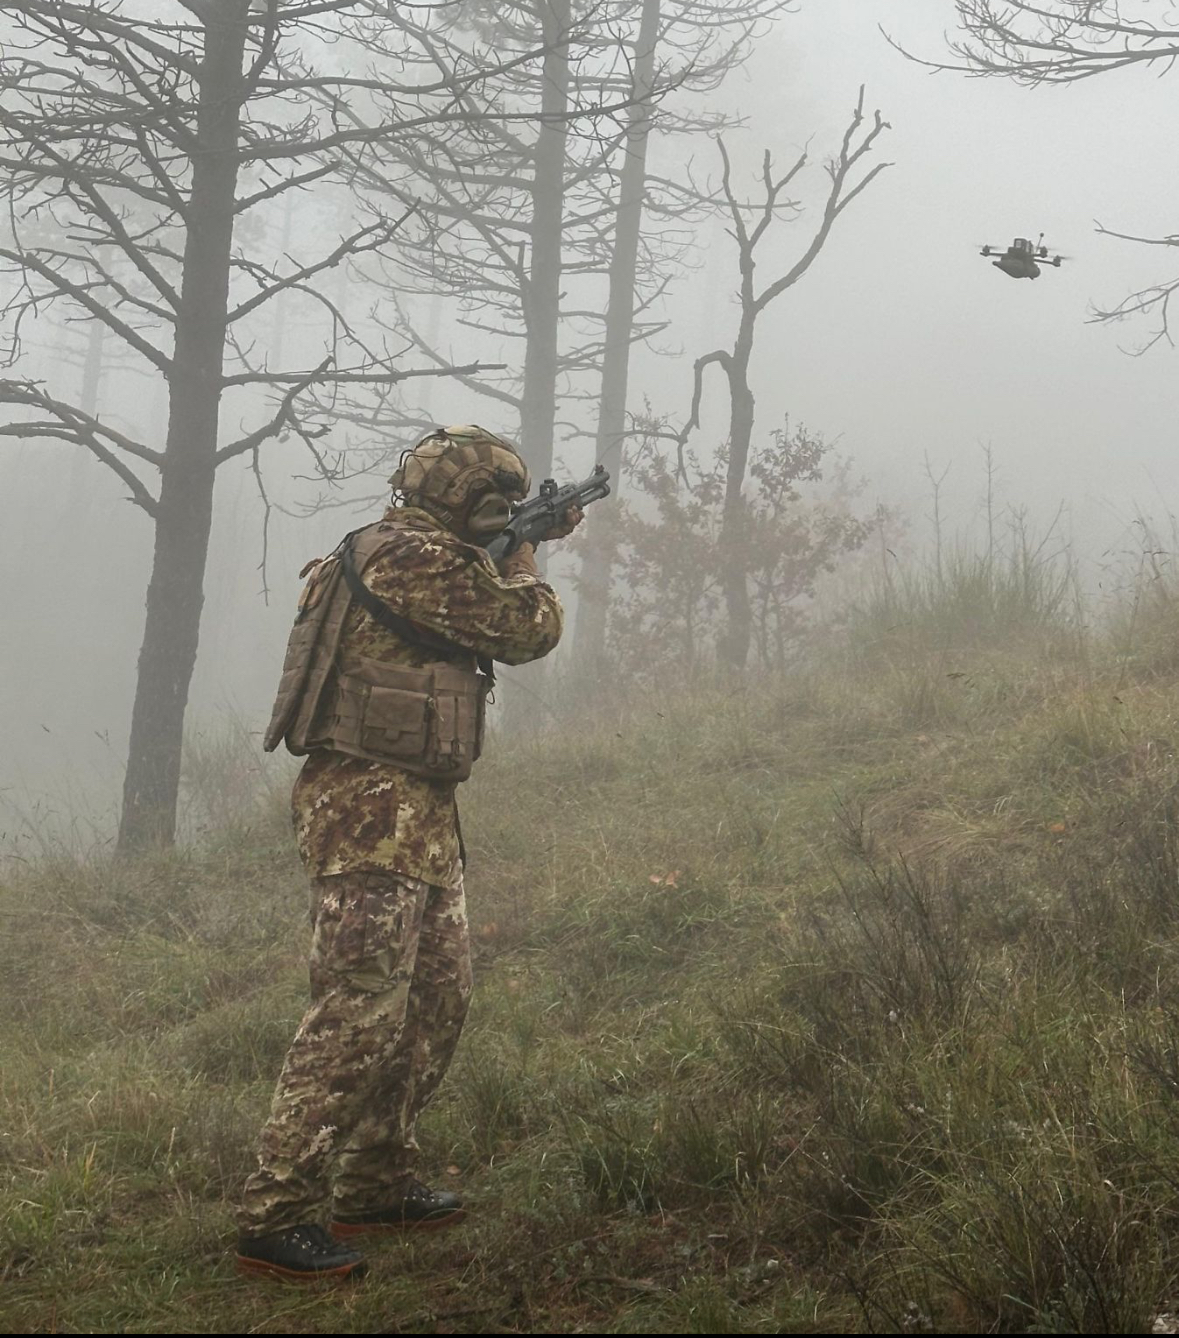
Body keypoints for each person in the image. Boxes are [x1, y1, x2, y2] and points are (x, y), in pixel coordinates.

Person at [235, 425, 581, 1282]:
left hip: (415, 806)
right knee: (356, 1010)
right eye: (497, 507)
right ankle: (273, 1213)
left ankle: (375, 1179)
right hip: (368, 811)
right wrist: (525, 553)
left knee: (435, 999)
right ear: (469, 503)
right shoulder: (411, 560)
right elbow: (527, 628)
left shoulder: (421, 551)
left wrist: (513, 539)